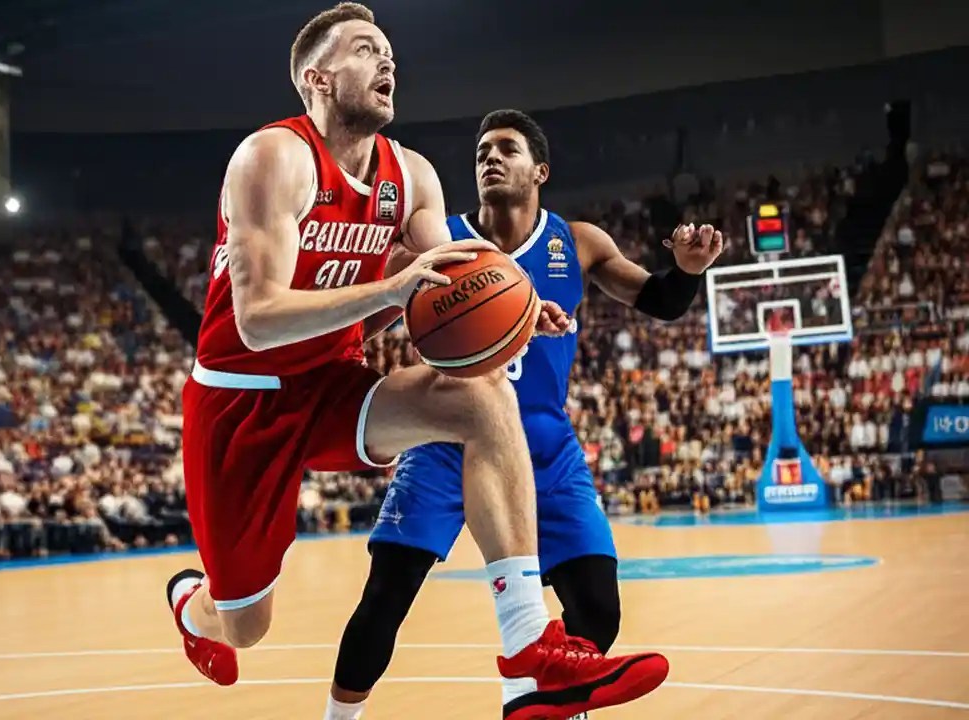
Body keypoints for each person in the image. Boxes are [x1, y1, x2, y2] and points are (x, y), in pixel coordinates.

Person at [167, 5, 668, 718]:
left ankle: (530, 649)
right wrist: (395, 287)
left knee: (480, 391)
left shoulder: (414, 175)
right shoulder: (273, 158)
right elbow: (259, 320)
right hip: (240, 398)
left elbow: (454, 269)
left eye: (390, 52)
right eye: (366, 50)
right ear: (318, 78)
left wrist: (517, 308)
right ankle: (194, 606)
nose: (388, 62)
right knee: (246, 624)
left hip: (333, 384)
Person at [324, 109, 723, 719]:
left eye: (506, 148)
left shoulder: (579, 241)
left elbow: (661, 300)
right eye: (482, 150)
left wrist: (688, 273)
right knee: (384, 600)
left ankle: (526, 703)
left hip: (545, 447)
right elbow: (361, 310)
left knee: (598, 610)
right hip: (443, 441)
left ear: (540, 170)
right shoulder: (437, 243)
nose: (489, 157)